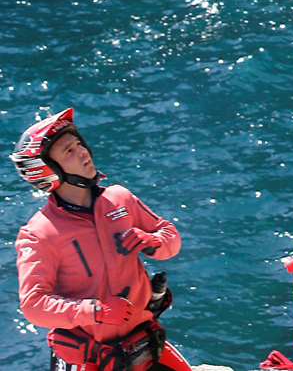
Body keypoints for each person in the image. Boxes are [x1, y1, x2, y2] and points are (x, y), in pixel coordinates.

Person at [12, 107, 189, 371]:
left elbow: (170, 236)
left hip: (145, 345)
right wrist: (95, 311)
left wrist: (152, 241)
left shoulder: (119, 198)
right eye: (68, 151)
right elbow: (34, 305)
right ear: (47, 171)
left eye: (79, 143)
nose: (82, 150)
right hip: (91, 361)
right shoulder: (39, 233)